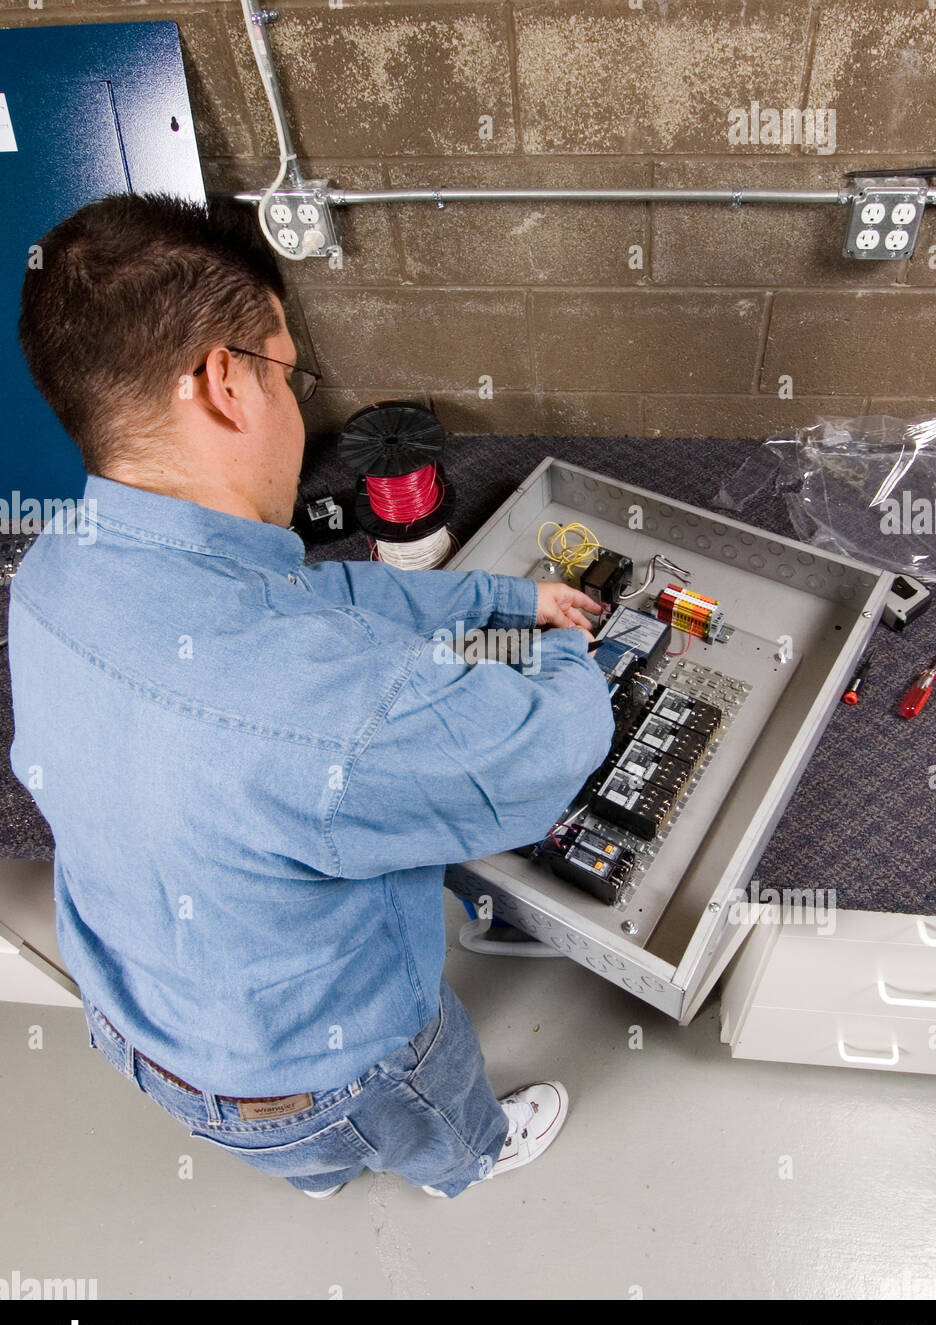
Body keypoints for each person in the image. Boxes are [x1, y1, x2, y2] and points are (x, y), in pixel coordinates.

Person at [9, 193, 614, 1199]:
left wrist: (504, 602)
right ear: (224, 384)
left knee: (301, 1154)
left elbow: (322, 594)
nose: (300, 408)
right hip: (340, 1065)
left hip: (144, 1033)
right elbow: (538, 750)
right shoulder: (323, 711)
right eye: (291, 373)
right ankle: (463, 1159)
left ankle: (321, 1175)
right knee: (423, 1110)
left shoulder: (53, 569)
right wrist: (560, 658)